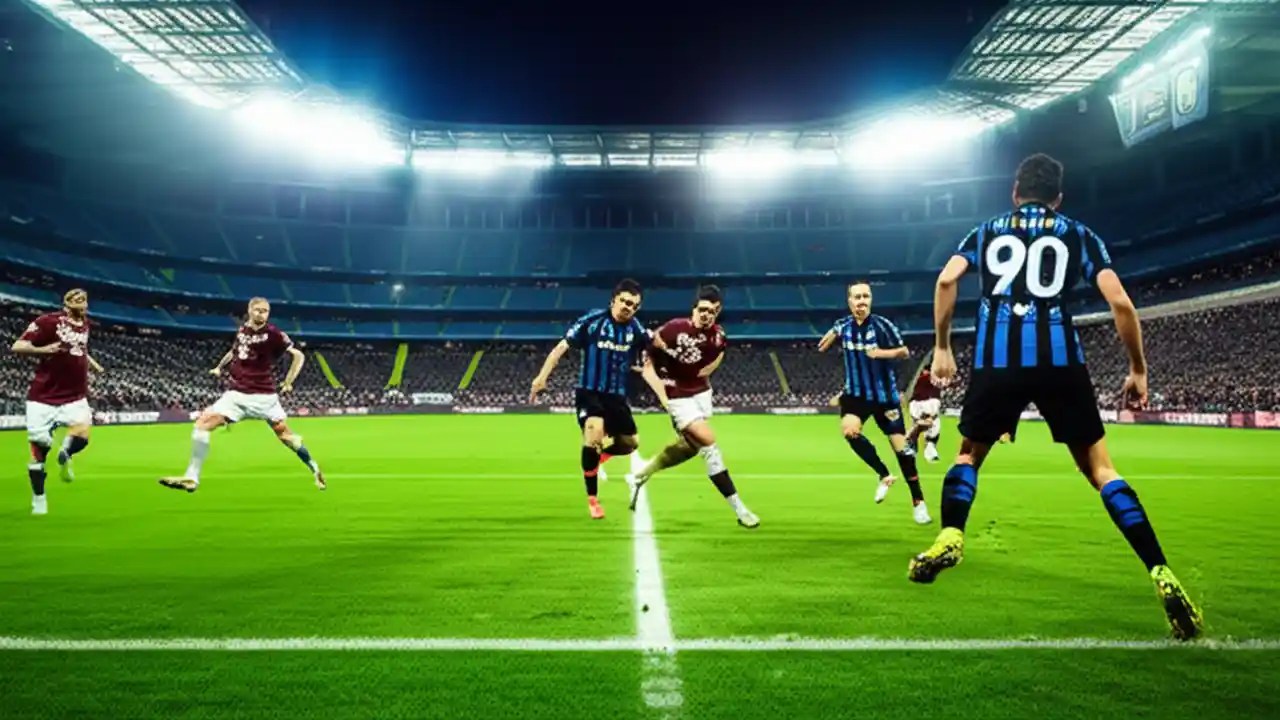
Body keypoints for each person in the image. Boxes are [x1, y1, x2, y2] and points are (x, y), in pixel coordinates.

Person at [910, 153, 1202, 641]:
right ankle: (1159, 569)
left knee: (967, 455)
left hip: (996, 362)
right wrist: (1137, 369)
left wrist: (942, 347)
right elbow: (1121, 304)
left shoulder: (987, 230)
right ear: (1058, 197)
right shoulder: (1079, 234)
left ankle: (951, 534)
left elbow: (945, 280)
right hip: (1060, 361)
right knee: (1101, 470)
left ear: (1014, 191)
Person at [626, 285, 759, 528]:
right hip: (676, 395)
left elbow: (717, 358)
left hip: (701, 393)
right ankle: (740, 510)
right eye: (703, 309)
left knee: (690, 447)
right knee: (709, 445)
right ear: (694, 309)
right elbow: (647, 366)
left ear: (718, 312)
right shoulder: (673, 329)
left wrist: (706, 373)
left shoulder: (719, 337)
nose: (706, 314)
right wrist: (665, 398)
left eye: (712, 311)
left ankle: (640, 474)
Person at [159, 297, 324, 493]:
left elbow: (298, 355)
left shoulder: (273, 333)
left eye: (265, 311)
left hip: (262, 396)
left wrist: (289, 382)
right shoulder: (243, 330)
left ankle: (315, 469)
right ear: (250, 310)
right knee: (202, 425)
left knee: (286, 437)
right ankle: (191, 478)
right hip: (238, 394)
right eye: (258, 310)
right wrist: (219, 367)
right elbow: (234, 351)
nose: (261, 313)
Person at [530, 279, 652, 519]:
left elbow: (651, 349)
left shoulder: (636, 329)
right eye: (625, 302)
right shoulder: (592, 321)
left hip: (616, 395)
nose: (628, 307)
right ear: (613, 300)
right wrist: (542, 377)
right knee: (594, 431)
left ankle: (599, 459)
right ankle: (593, 499)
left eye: (634, 305)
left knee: (630, 443)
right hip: (590, 391)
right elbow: (561, 348)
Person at [818, 282, 931, 524]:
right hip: (856, 396)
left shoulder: (883, 326)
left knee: (902, 452)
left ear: (871, 299)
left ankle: (918, 502)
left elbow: (904, 352)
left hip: (884, 397)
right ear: (849, 301)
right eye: (857, 297)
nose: (862, 301)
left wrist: (880, 353)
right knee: (850, 431)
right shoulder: (844, 326)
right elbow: (829, 338)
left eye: (866, 296)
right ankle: (884, 474)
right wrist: (831, 335)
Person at [10, 289, 103, 515]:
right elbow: (17, 346)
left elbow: (80, 347)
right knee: (39, 452)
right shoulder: (48, 322)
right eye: (78, 300)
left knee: (82, 434)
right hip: (43, 398)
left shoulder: (85, 324)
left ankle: (66, 453)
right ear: (66, 303)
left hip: (75, 396)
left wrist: (93, 364)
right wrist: (43, 349)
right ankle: (39, 498)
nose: (83, 304)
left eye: (85, 300)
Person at [905, 366, 942, 463]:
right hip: (919, 404)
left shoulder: (927, 380)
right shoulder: (925, 379)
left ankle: (925, 447)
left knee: (930, 427)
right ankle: (913, 443)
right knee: (926, 425)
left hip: (925, 403)